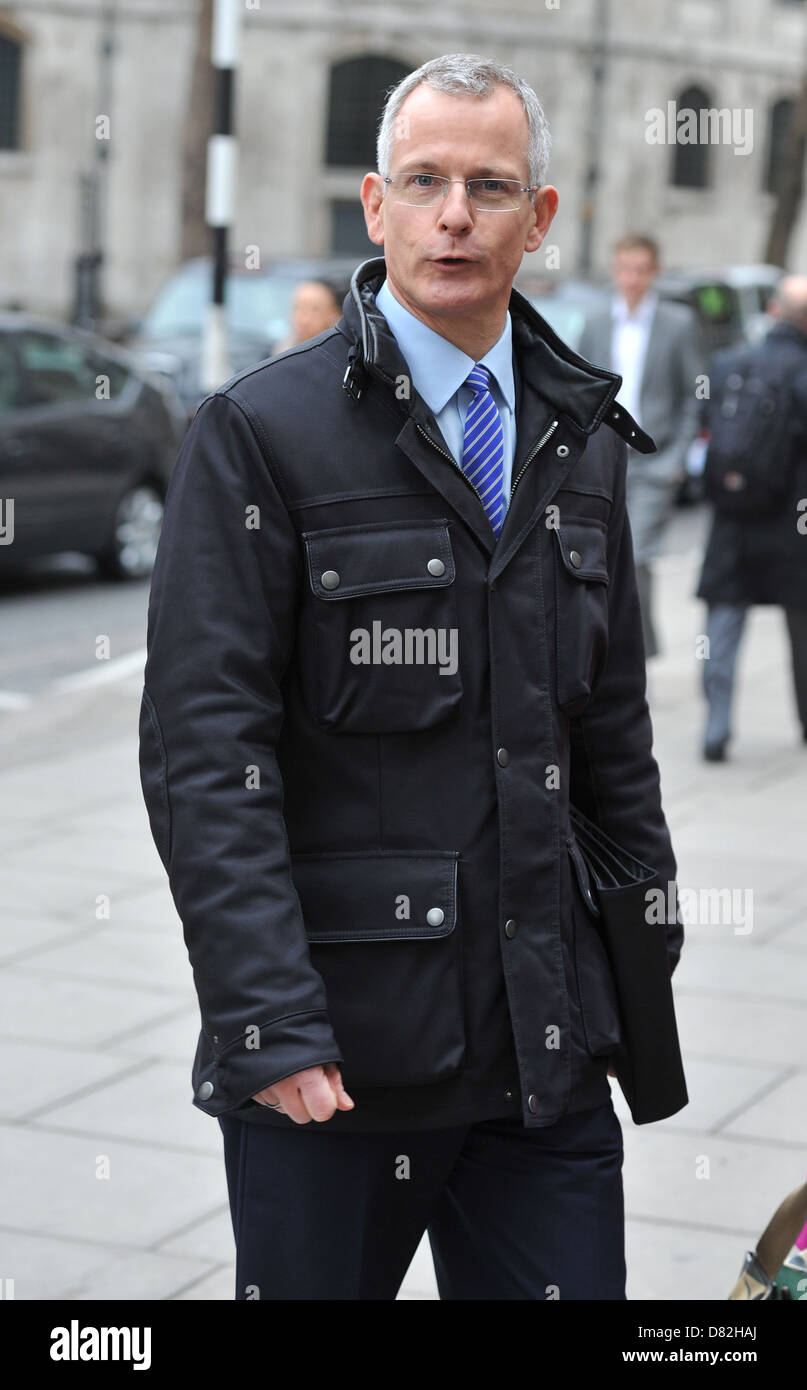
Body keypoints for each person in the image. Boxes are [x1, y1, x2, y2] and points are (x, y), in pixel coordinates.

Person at [138, 52, 683, 1301]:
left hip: (545, 1056)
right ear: (375, 207)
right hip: (337, 1068)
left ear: (538, 220)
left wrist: (645, 930)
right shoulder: (262, 433)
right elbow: (203, 749)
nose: (455, 216)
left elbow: (615, 730)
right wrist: (265, 1016)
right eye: (425, 182)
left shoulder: (581, 437)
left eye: (489, 186)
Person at [696, 275, 807, 761]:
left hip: (732, 518)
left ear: (773, 310)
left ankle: (716, 729)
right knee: (801, 629)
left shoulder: (728, 365)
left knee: (722, 624)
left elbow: (705, 429)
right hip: (794, 523)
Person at [578, 235, 705, 658]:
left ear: (654, 272)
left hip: (654, 459)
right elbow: (581, 388)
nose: (631, 279)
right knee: (604, 554)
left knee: (636, 556)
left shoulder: (678, 323)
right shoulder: (597, 320)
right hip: (603, 455)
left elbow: (694, 395)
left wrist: (678, 459)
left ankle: (633, 652)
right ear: (614, 270)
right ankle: (629, 647)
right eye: (624, 269)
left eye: (640, 270)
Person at [273, 277, 344, 351]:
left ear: (334, 313)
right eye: (297, 308)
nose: (304, 319)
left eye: (314, 309)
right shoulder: (282, 351)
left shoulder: (344, 353)